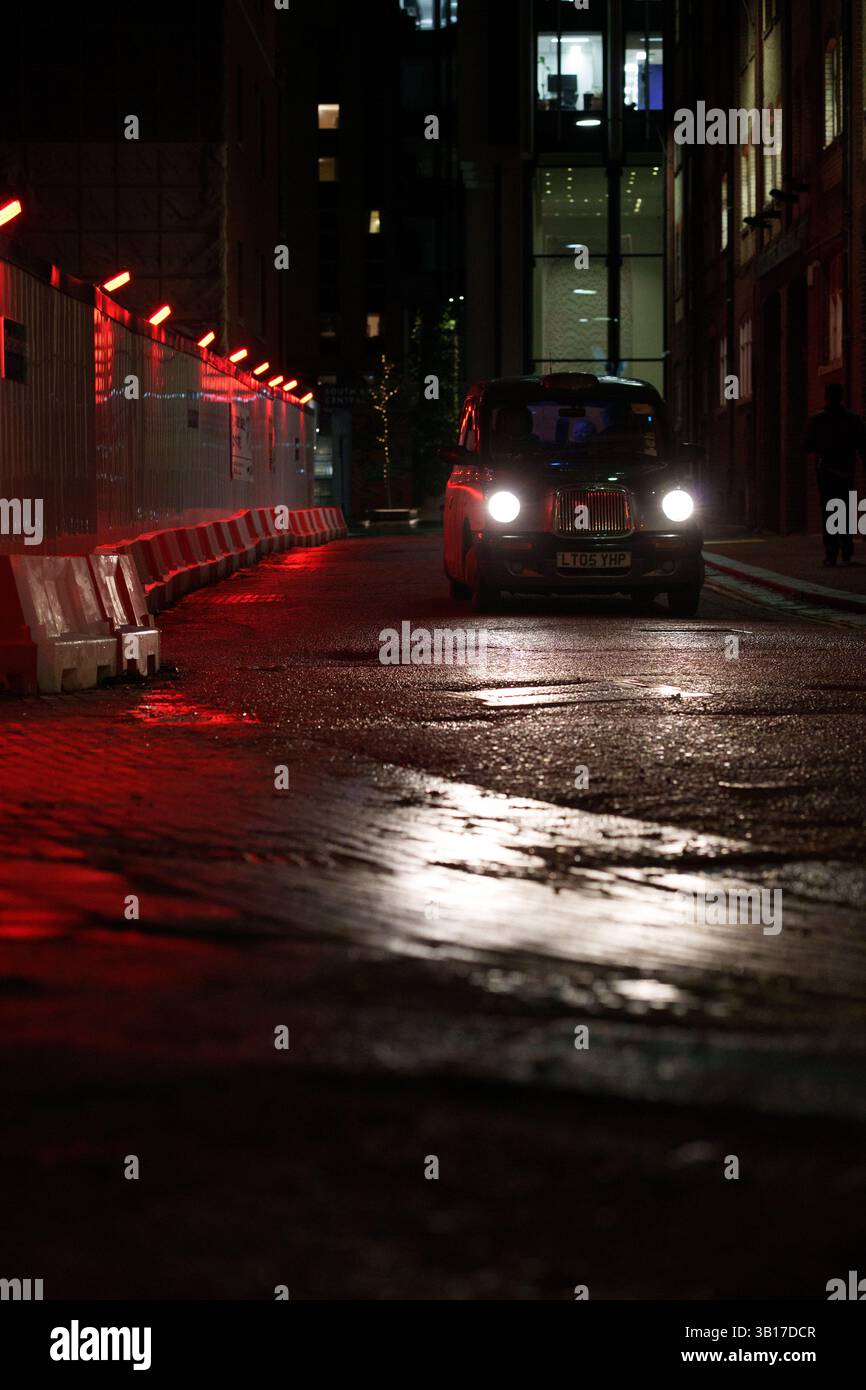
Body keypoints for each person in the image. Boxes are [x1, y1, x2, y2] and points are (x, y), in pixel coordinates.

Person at [805, 383, 866, 565]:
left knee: (829, 510)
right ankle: (846, 550)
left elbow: (808, 446)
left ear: (826, 396)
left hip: (826, 470)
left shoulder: (818, 420)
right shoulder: (853, 420)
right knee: (845, 509)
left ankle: (831, 553)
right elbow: (863, 446)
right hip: (846, 470)